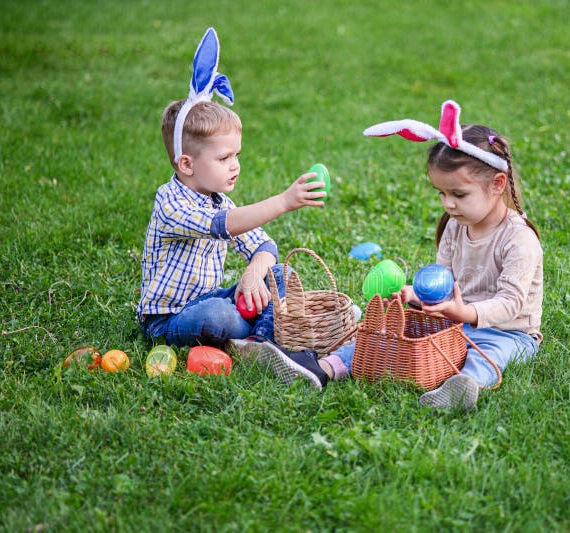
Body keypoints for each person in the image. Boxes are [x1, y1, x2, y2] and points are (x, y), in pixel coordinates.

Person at [318, 100, 543, 410]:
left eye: (459, 194)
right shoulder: (455, 225)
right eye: (442, 193)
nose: (448, 204)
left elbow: (511, 304)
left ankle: (464, 387)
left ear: (497, 184)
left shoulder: (518, 239)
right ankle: (325, 368)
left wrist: (465, 314)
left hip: (508, 333)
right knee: (393, 334)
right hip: (455, 321)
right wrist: (414, 295)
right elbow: (443, 282)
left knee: (484, 354)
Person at [136, 28, 329, 387]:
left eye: (236, 155)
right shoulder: (170, 202)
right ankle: (253, 332)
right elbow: (223, 224)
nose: (235, 165)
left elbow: (265, 246)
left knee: (279, 274)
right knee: (218, 316)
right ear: (187, 164)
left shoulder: (219, 198)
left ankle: (260, 343)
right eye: (224, 157)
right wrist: (284, 201)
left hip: (211, 297)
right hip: (169, 319)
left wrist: (255, 271)